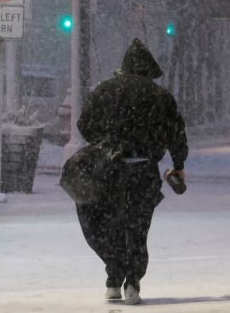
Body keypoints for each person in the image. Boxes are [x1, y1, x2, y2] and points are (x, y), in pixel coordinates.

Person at [75, 38, 188, 305]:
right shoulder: (161, 97)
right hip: (142, 172)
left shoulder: (104, 90)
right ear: (149, 70)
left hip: (107, 171)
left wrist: (106, 142)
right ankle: (132, 283)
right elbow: (177, 134)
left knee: (104, 225)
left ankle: (113, 277)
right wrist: (179, 165)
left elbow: (84, 125)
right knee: (137, 228)